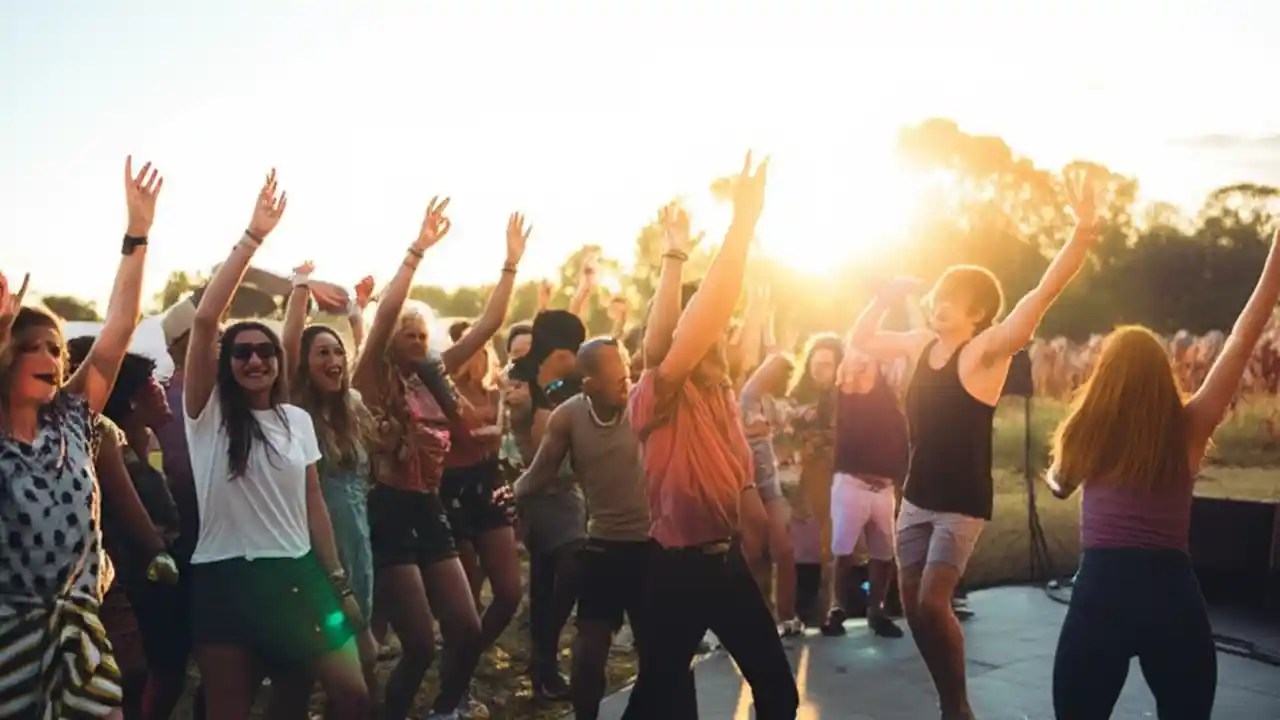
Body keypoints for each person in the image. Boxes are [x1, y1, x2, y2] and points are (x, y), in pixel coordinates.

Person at [849, 168, 1101, 719]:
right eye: (939, 296)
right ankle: (950, 700)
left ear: (978, 314)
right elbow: (862, 340)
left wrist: (1079, 239)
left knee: (934, 603)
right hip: (915, 498)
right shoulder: (919, 346)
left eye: (954, 300)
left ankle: (956, 706)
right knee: (914, 608)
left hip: (961, 502)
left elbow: (1038, 298)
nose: (940, 305)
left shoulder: (984, 354)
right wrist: (884, 297)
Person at [1048, 232, 1280, 719]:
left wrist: (1061, 480)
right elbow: (1244, 334)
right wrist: (1278, 250)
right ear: (1164, 372)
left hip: (1101, 591)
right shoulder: (1190, 426)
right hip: (1170, 594)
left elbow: (1060, 482)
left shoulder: (1085, 431)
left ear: (1105, 377)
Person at [183, 170, 367, 719]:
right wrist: (254, 237)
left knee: (351, 694)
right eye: (241, 353)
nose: (256, 359)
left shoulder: (296, 421)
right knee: (230, 711)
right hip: (226, 576)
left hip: (297, 575)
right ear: (226, 363)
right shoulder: (207, 415)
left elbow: (313, 505)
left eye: (265, 351)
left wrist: (338, 581)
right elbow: (205, 319)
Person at [623, 154, 798, 720]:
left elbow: (726, 328)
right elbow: (693, 322)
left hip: (723, 566)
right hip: (675, 571)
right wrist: (738, 228)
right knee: (659, 701)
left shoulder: (724, 393)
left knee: (777, 692)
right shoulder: (664, 392)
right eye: (706, 331)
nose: (717, 338)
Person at [0, 156, 163, 719]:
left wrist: (137, 232)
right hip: (7, 640)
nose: (50, 356)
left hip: (80, 630)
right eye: (33, 347)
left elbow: (119, 325)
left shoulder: (72, 417)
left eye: (57, 348)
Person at [514, 336, 687, 719]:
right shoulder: (568, 417)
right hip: (604, 546)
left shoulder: (647, 404)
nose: (628, 385)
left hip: (653, 546)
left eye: (628, 376)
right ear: (588, 384)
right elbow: (538, 475)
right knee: (589, 653)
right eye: (617, 380)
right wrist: (508, 496)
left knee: (658, 652)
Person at [68, 339, 186, 720]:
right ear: (132, 399)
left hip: (148, 583)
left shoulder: (144, 442)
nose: (162, 389)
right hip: (131, 586)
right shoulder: (107, 447)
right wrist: (163, 558)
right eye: (152, 382)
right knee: (137, 680)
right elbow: (139, 524)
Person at [281, 264, 382, 706]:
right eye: (322, 353)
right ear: (303, 363)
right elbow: (286, 344)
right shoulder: (294, 410)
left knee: (362, 664)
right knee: (320, 670)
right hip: (317, 554)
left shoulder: (353, 406)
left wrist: (360, 311)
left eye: (337, 352)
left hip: (358, 545)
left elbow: (365, 351)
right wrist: (301, 287)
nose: (335, 361)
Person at [507, 310, 589, 700]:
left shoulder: (568, 384)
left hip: (566, 493)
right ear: (561, 352)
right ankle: (544, 660)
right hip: (534, 494)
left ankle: (544, 654)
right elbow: (526, 437)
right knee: (551, 576)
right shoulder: (520, 384)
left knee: (563, 570)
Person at [823, 346, 908, 638]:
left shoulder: (891, 403)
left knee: (884, 553)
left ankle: (877, 610)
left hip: (883, 488)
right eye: (856, 367)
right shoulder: (848, 399)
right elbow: (849, 372)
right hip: (852, 484)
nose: (860, 372)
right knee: (843, 550)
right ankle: (837, 608)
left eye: (866, 366)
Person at [739, 353, 802, 635]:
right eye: (780, 373)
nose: (783, 378)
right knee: (754, 555)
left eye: (789, 374)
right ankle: (761, 618)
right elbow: (754, 384)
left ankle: (787, 615)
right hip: (744, 486)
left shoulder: (781, 404)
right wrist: (776, 359)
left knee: (783, 549)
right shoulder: (746, 399)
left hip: (770, 485)